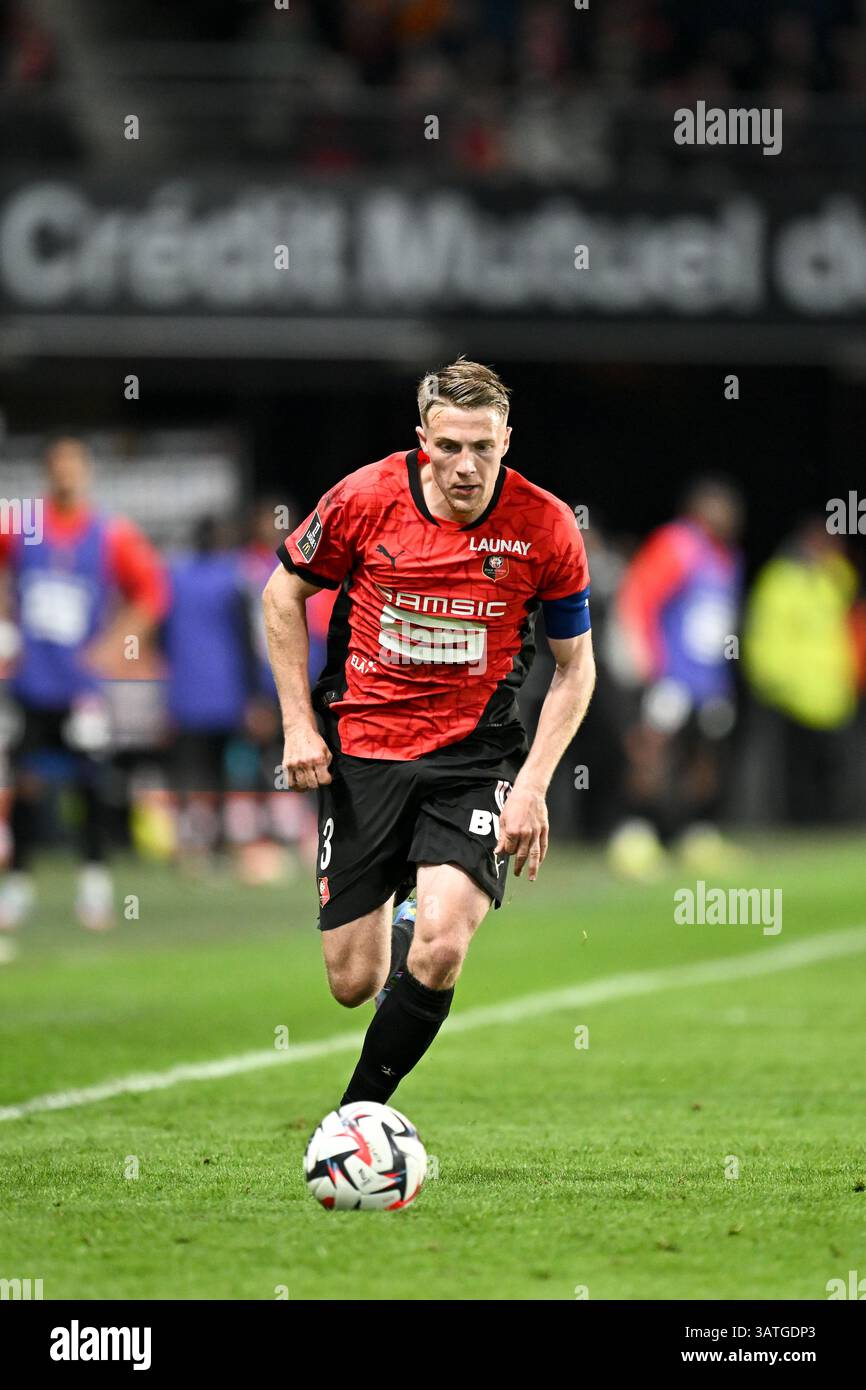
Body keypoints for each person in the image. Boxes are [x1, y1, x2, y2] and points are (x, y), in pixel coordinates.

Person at [263, 357, 595, 1107]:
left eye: (483, 446)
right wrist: (297, 724)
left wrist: (533, 786)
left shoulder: (545, 528)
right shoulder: (364, 499)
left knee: (444, 946)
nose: (466, 466)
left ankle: (356, 1119)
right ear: (422, 441)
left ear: (508, 439)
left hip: (473, 759)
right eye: (449, 447)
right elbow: (282, 595)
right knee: (353, 982)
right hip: (363, 751)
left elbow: (577, 670)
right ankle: (408, 909)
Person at [0, 436, 167, 930]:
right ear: (48, 471)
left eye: (74, 465)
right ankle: (19, 886)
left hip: (83, 686)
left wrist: (114, 643)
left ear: (86, 472)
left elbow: (152, 593)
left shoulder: (108, 533)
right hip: (31, 681)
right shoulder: (25, 524)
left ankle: (95, 885)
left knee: (90, 782)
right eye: (58, 466)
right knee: (25, 784)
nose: (66, 474)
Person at [609, 477, 744, 877]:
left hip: (709, 680)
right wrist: (644, 659)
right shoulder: (678, 543)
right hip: (671, 674)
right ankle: (634, 833)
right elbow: (640, 597)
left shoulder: (726, 558)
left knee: (704, 759)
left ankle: (695, 833)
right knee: (651, 753)